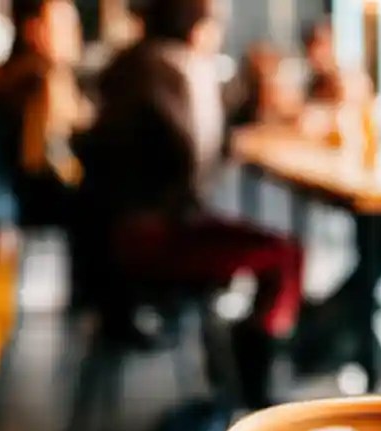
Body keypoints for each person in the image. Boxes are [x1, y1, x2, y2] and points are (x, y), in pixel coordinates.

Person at [76, 0, 303, 408]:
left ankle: (242, 366)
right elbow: (191, 160)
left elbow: (199, 151)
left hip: (131, 235)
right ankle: (255, 386)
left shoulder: (141, 65)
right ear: (195, 26)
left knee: (281, 251)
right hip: (153, 239)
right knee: (285, 255)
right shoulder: (167, 72)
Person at [0, 0, 87, 228]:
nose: (74, 35)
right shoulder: (34, 84)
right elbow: (40, 162)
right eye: (62, 26)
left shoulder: (64, 80)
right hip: (39, 224)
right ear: (34, 30)